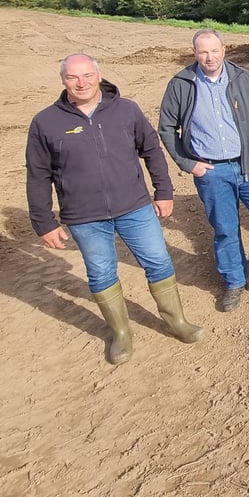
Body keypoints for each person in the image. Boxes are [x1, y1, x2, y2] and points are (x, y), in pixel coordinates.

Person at [26, 53, 205, 365]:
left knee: (159, 262)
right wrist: (44, 221)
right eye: (73, 77)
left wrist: (163, 191)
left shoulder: (126, 110)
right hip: (84, 216)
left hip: (134, 206)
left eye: (86, 75)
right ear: (63, 81)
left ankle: (176, 321)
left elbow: (151, 150)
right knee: (101, 272)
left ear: (99, 75)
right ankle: (121, 333)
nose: (81, 83)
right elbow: (38, 174)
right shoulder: (46, 122)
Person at [158, 29, 249, 312]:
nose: (209, 57)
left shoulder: (243, 79)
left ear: (224, 50)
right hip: (212, 172)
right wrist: (189, 164)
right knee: (225, 228)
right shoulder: (182, 84)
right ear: (195, 53)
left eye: (214, 51)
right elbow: (166, 127)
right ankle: (234, 281)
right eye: (203, 52)